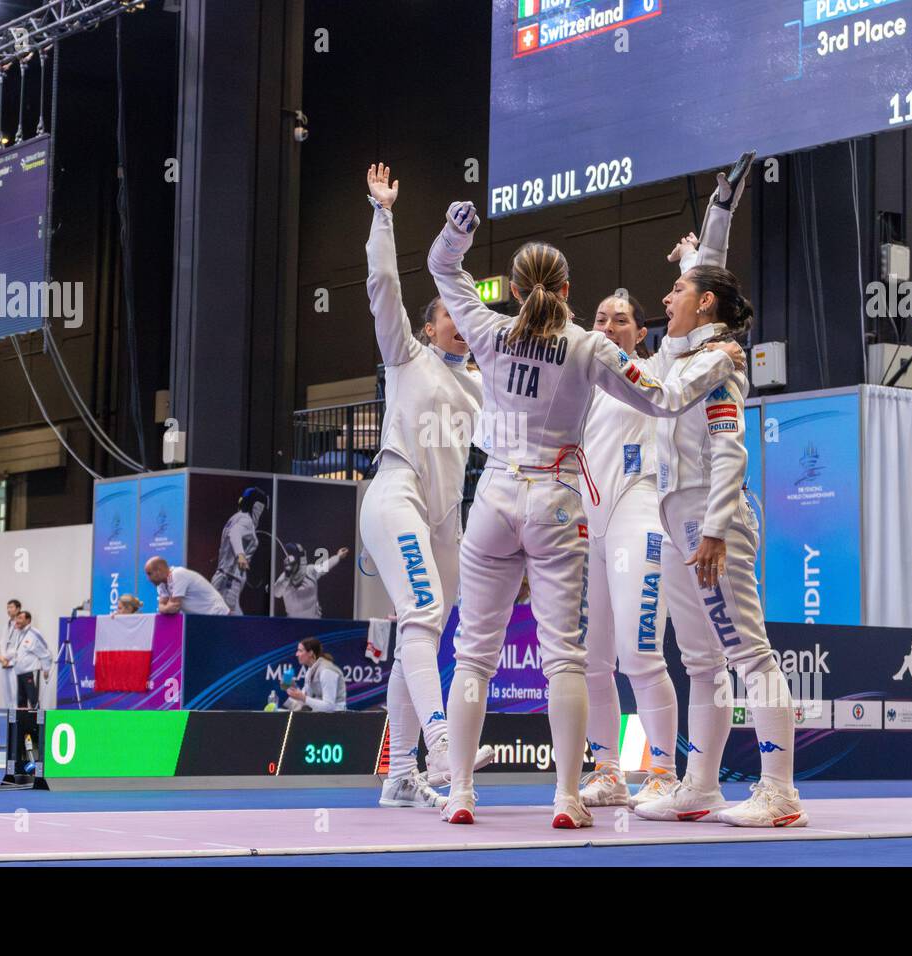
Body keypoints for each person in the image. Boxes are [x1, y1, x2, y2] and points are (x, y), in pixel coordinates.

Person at [427, 200, 744, 827]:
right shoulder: (587, 346)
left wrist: (458, 229)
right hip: (557, 503)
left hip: (491, 495)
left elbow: (442, 267)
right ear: (569, 291)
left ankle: (461, 791)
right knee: (566, 657)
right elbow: (665, 397)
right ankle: (569, 798)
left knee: (472, 657)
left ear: (516, 291)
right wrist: (718, 358)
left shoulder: (489, 332)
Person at [578, 156, 751, 809]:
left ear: (641, 330)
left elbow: (706, 283)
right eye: (598, 319)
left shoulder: (660, 369)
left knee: (640, 651)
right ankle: (605, 770)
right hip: (587, 524)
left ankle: (660, 769)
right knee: (593, 656)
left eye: (620, 319)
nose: (607, 326)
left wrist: (720, 212)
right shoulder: (588, 382)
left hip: (647, 520)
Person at [633, 262, 807, 828]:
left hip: (714, 521)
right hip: (679, 517)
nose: (666, 296)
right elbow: (651, 381)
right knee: (701, 660)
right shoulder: (685, 358)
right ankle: (700, 787)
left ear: (706, 303)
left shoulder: (718, 362)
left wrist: (713, 529)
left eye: (679, 289)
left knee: (748, 653)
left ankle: (779, 791)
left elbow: (730, 450)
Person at [356, 164, 492, 809]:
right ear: (431, 323)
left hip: (445, 516)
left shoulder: (481, 386)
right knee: (422, 615)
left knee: (424, 632)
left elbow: (526, 438)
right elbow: (382, 283)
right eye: (450, 316)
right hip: (396, 492)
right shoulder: (405, 357)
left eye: (468, 316)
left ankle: (398, 774)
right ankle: (440, 746)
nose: (462, 324)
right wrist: (384, 213)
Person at [211, 485, 269, 614]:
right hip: (229, 581)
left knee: (236, 618)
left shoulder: (235, 517)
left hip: (227, 579)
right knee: (228, 621)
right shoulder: (246, 521)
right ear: (256, 506)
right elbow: (235, 533)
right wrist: (241, 555)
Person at [272, 544, 350, 618]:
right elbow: (276, 593)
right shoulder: (285, 577)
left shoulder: (310, 570)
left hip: (313, 621)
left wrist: (338, 556)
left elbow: (326, 565)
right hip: (293, 623)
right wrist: (287, 578)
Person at [145, 556, 231, 616]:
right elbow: (161, 606)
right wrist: (165, 608)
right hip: (203, 619)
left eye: (149, 574)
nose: (148, 579)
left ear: (159, 570)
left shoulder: (178, 574)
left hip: (218, 615)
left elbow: (174, 607)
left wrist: (164, 608)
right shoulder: (162, 584)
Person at [282, 638, 347, 712]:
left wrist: (303, 697)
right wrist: (292, 689)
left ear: (310, 653)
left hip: (337, 717)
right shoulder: (310, 671)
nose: (296, 654)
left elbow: (329, 706)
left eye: (300, 651)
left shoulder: (326, 671)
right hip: (319, 716)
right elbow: (305, 699)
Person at [10, 610, 52, 710]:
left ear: (28, 620)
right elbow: (18, 651)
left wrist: (46, 669)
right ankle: (22, 724)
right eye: (17, 618)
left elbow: (45, 652)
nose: (17, 621)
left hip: (30, 672)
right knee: (21, 702)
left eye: (20, 618)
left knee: (33, 701)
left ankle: (37, 724)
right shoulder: (18, 633)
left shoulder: (34, 633)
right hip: (19, 672)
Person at [0, 599, 22, 710]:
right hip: (5, 662)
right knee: (6, 691)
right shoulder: (6, 625)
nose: (9, 610)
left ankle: (15, 713)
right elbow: (2, 642)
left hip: (14, 662)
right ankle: (7, 712)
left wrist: (7, 657)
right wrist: (2, 657)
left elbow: (18, 645)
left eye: (11, 607)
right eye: (8, 607)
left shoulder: (20, 625)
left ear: (18, 609)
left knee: (14, 691)